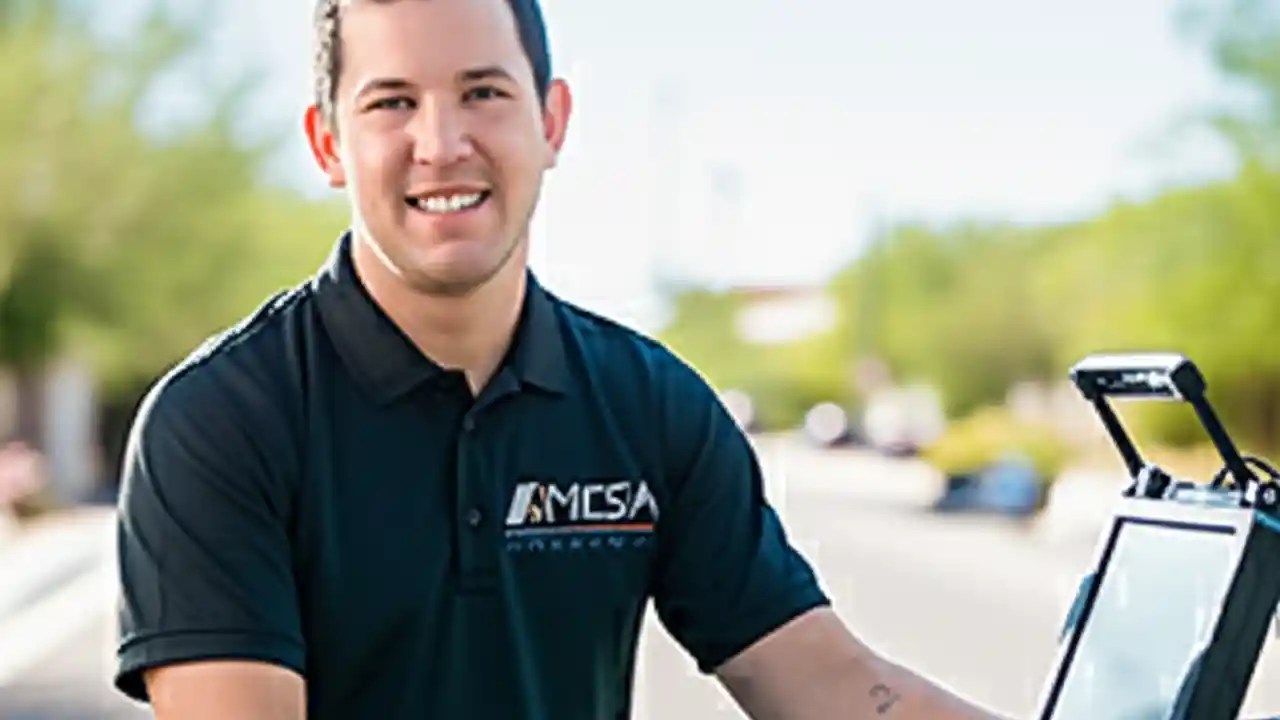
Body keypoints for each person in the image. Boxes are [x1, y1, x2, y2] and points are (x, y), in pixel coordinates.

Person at [112, 0, 1007, 717]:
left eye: (483, 93)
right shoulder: (219, 424)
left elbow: (831, 688)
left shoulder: (649, 407)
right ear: (327, 143)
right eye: (392, 102)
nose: (441, 143)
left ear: (552, 120)